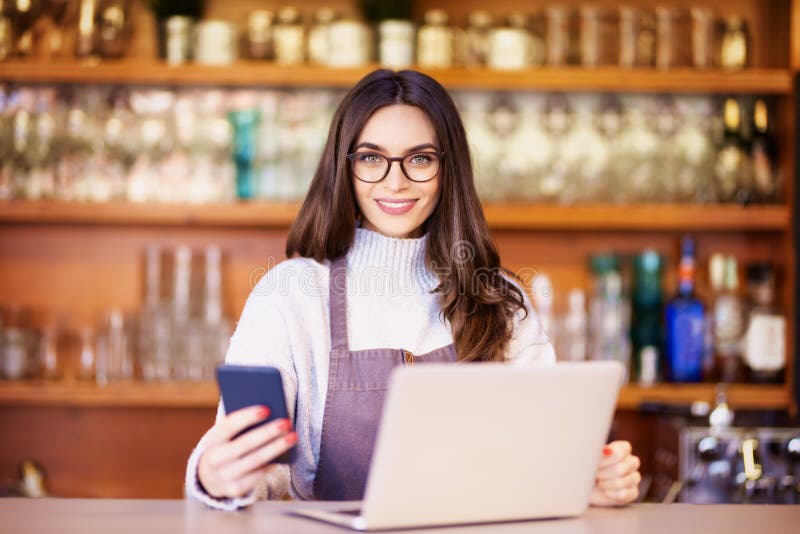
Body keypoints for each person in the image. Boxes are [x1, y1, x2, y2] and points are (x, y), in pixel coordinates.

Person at [185, 69, 641, 510]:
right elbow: (254, 454)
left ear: (449, 169)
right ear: (343, 168)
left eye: (420, 159)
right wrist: (216, 475)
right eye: (371, 158)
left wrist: (586, 480)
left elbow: (544, 452)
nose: (395, 180)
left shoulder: (500, 300)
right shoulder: (288, 294)